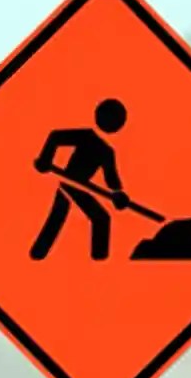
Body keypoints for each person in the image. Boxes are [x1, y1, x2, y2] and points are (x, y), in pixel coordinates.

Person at [29, 99, 129, 261]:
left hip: (82, 188)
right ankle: (38, 255)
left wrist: (119, 195)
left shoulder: (106, 151)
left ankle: (39, 254)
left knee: (64, 216)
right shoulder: (86, 136)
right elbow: (55, 137)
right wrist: (45, 159)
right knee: (93, 218)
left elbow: (111, 179)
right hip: (69, 184)